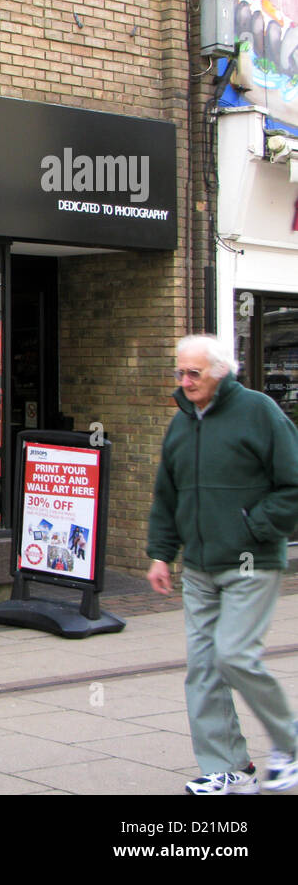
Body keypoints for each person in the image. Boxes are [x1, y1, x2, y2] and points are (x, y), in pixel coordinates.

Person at [147, 334, 298, 795]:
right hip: (199, 567)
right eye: (180, 372)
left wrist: (255, 527)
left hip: (250, 562)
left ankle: (289, 746)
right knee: (204, 668)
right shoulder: (182, 422)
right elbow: (166, 494)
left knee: (234, 655)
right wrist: (160, 554)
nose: (185, 380)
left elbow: (292, 484)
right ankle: (229, 767)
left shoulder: (259, 412)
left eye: (194, 372)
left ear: (219, 371)